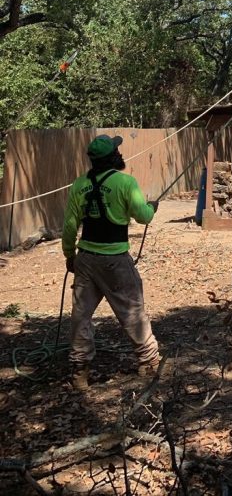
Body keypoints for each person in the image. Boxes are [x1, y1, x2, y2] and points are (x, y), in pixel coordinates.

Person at [62, 134, 160, 391]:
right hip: (115, 260)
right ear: (113, 157)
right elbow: (144, 217)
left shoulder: (78, 185)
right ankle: (149, 361)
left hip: (86, 259)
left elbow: (71, 225)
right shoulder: (125, 183)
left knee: (81, 315)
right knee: (132, 311)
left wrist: (69, 255)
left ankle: (79, 371)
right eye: (117, 150)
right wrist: (152, 207)